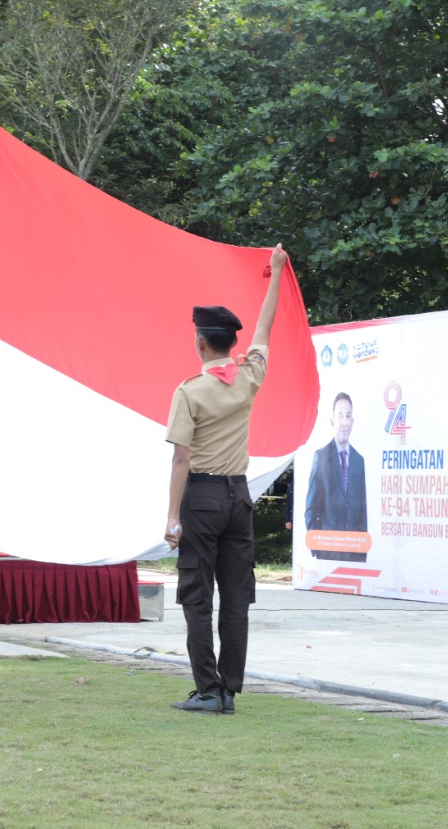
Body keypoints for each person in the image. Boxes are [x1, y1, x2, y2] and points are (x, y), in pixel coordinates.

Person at [164, 243, 287, 715]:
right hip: (240, 495)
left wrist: (172, 516)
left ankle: (208, 689)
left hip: (203, 497)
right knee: (237, 596)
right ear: (231, 343)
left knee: (197, 595)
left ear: (200, 342)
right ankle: (229, 689)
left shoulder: (190, 392)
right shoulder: (249, 376)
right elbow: (266, 326)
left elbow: (181, 460)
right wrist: (275, 272)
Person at [303, 392, 368, 544]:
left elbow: (362, 514)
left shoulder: (359, 461)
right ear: (332, 421)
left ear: (352, 421)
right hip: (328, 549)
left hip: (354, 551)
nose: (344, 422)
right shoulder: (321, 457)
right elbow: (311, 510)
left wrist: (362, 554)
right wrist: (317, 547)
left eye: (347, 416)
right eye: (340, 416)